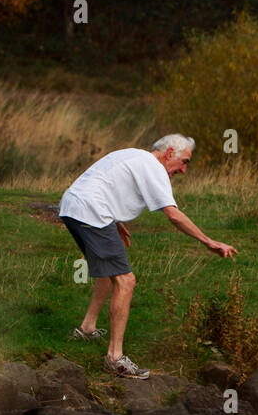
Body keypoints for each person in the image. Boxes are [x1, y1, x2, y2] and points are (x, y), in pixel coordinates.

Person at [59, 134, 236, 379]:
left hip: (72, 206)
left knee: (113, 270)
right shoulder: (154, 167)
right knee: (126, 280)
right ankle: (114, 358)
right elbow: (173, 215)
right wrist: (208, 241)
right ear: (169, 152)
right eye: (184, 161)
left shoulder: (134, 155)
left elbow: (105, 182)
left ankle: (87, 328)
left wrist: (114, 220)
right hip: (91, 210)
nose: (184, 170)